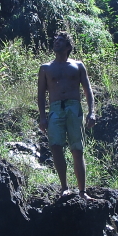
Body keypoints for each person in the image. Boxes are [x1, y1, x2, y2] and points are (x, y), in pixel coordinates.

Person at [38, 32, 96, 199]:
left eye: (61, 41)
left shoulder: (78, 66)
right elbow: (41, 95)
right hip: (55, 109)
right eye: (55, 40)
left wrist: (92, 112)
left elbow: (88, 90)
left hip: (73, 107)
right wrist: (43, 117)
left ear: (69, 46)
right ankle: (64, 187)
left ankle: (82, 191)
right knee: (56, 147)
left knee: (77, 149)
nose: (56, 42)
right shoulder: (46, 68)